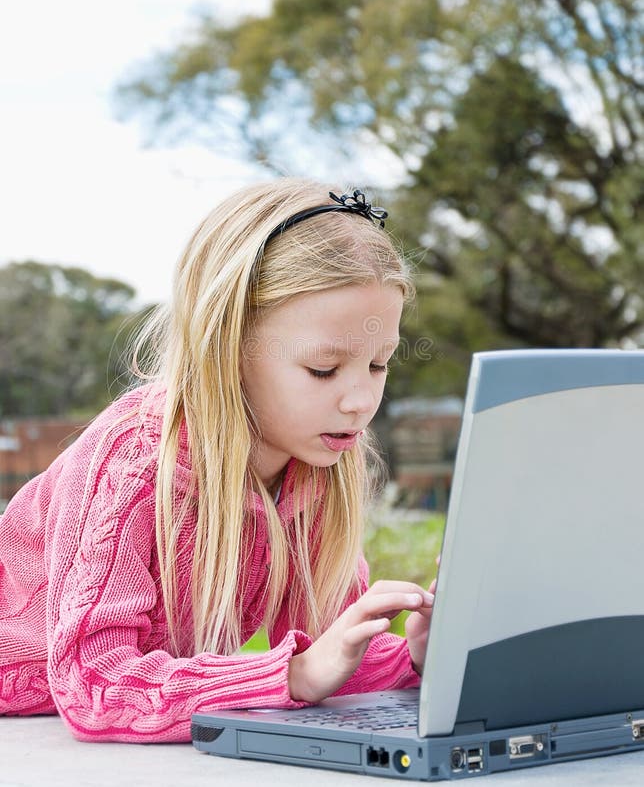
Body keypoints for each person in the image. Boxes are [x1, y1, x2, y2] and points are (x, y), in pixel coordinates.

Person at [0, 178, 434, 743]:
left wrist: (421, 661)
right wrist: (295, 676)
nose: (360, 400)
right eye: (323, 370)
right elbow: (94, 684)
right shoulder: (137, 461)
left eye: (379, 365)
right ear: (227, 346)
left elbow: (334, 658)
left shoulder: (319, 462)